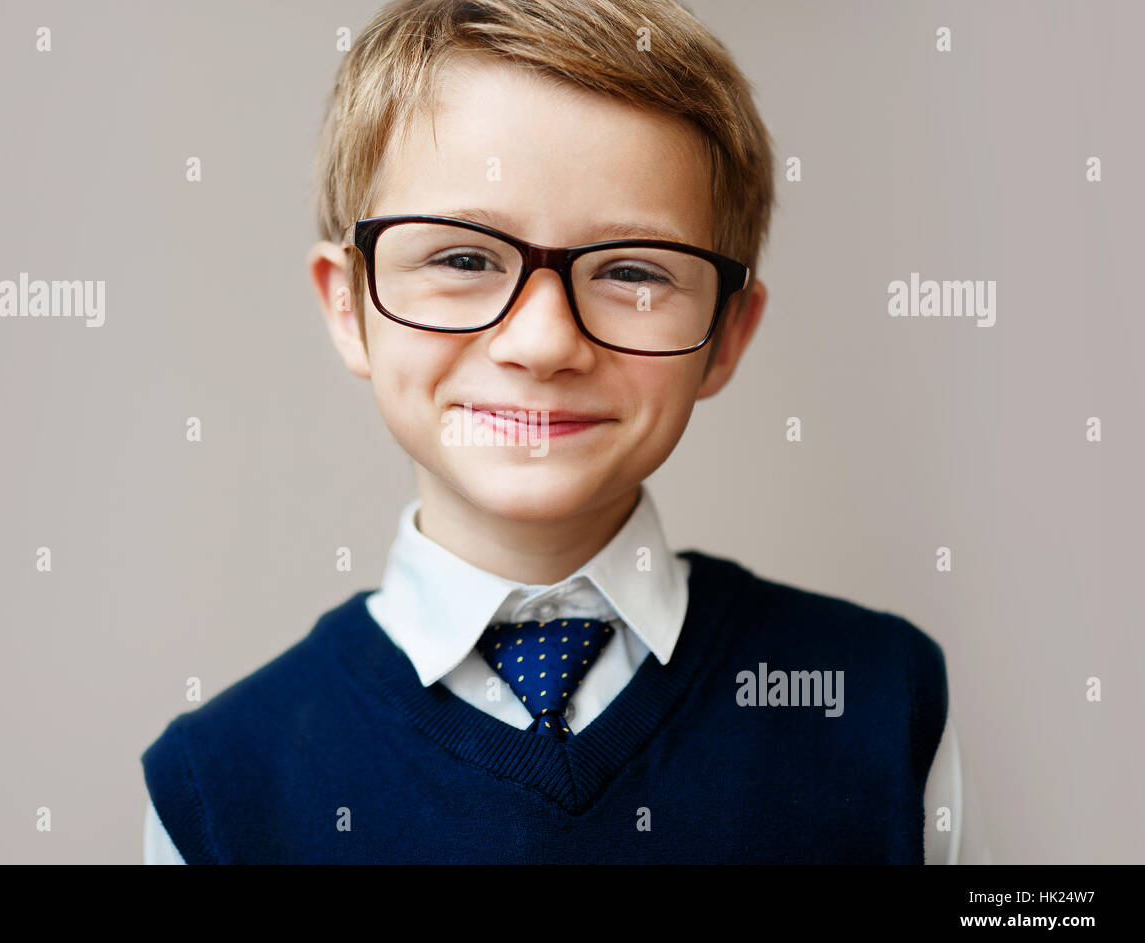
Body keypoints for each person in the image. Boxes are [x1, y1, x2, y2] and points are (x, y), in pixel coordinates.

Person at [142, 0, 987, 863]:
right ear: (349, 306)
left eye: (631, 271)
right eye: (464, 258)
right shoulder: (218, 788)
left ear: (728, 334)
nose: (544, 342)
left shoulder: (880, 703)